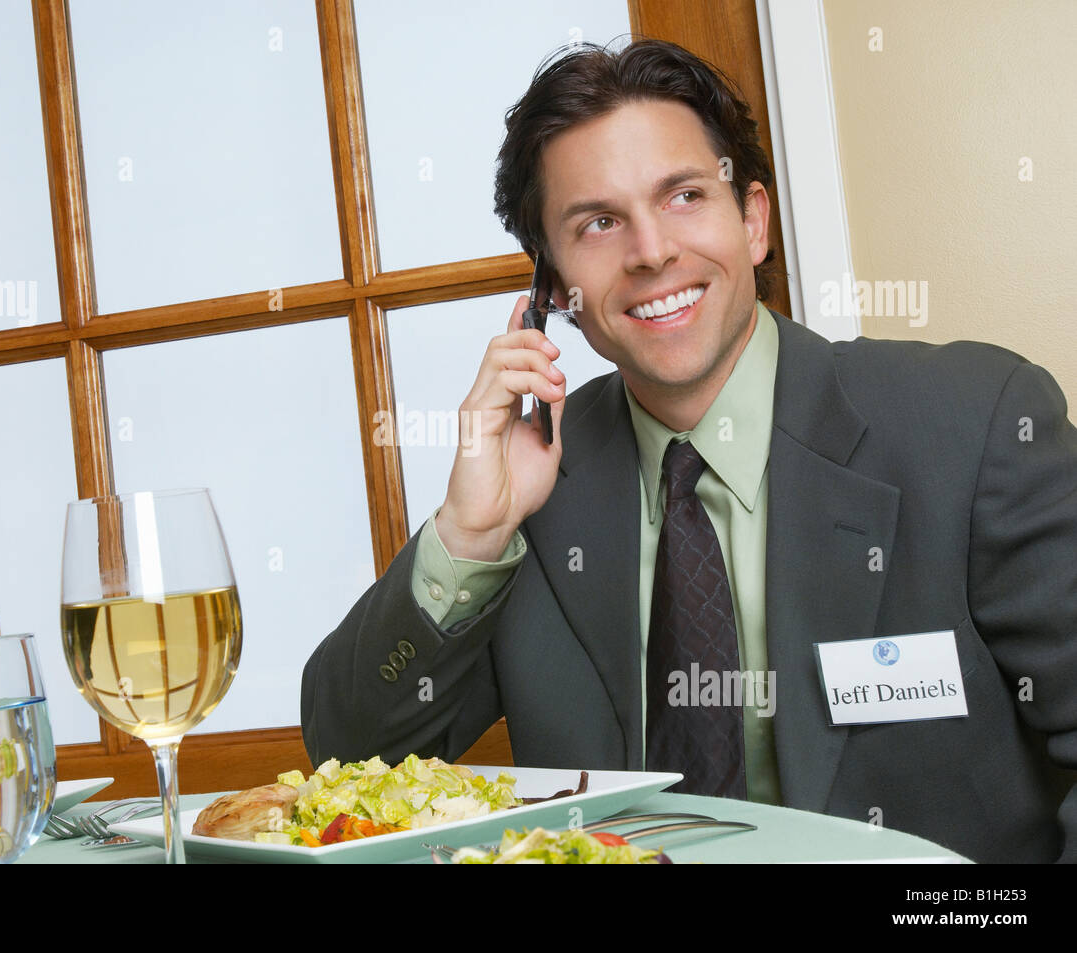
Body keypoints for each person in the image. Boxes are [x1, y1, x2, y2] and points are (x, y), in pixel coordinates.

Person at [301, 38, 1077, 863]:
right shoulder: (531, 480)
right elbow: (349, 755)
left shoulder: (976, 423)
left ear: (752, 220)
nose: (651, 252)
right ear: (555, 290)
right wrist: (469, 536)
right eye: (598, 223)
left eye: (682, 196)